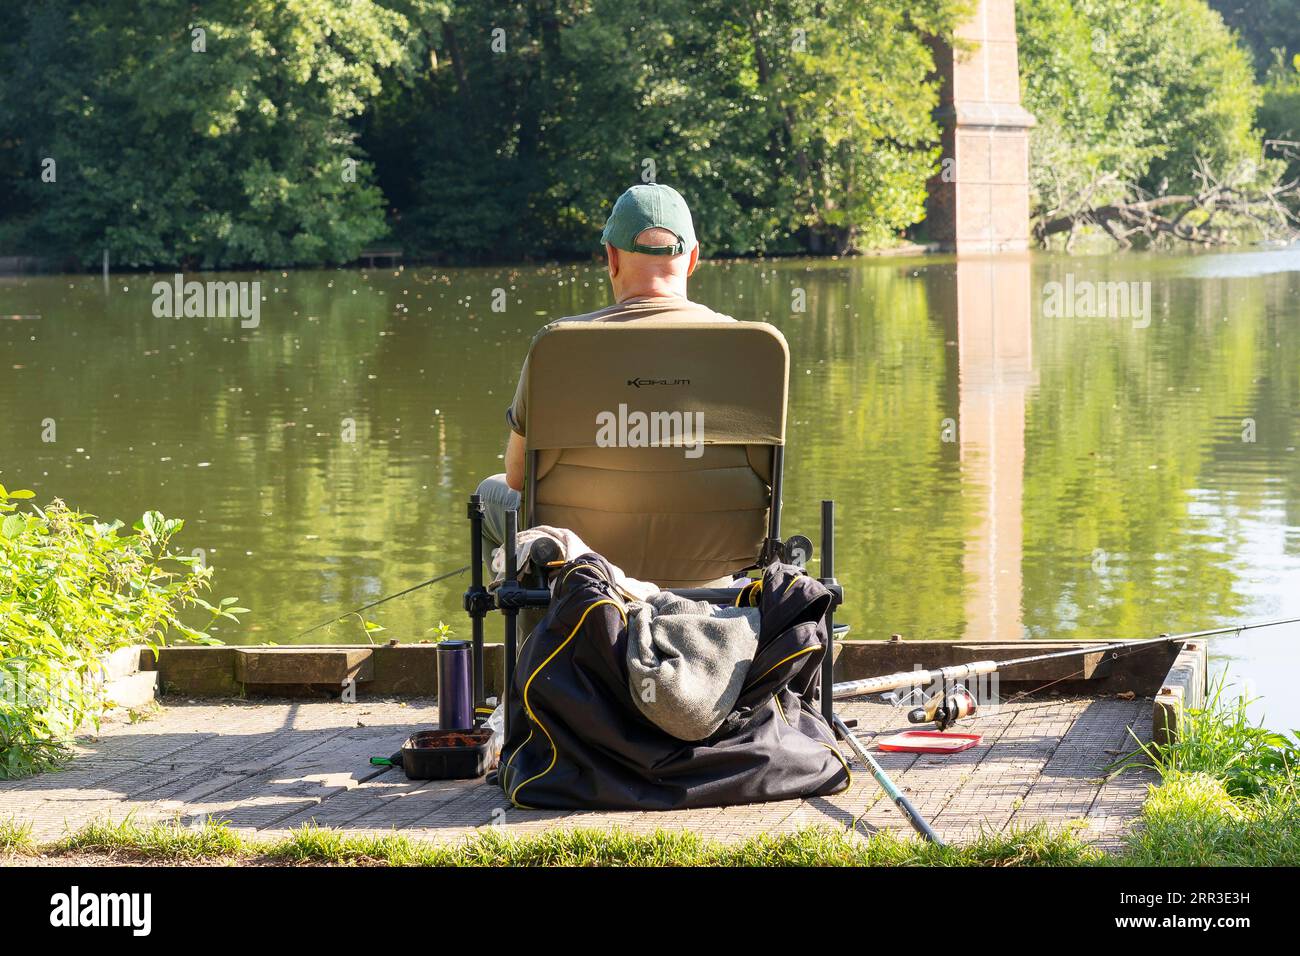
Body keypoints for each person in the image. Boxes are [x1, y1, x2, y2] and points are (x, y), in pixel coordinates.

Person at [474, 183, 733, 566]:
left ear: (611, 257)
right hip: (711, 561)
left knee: (486, 496)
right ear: (693, 259)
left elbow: (517, 475)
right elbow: (765, 478)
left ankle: (542, 624)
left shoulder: (559, 346)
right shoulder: (746, 344)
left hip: (583, 561)